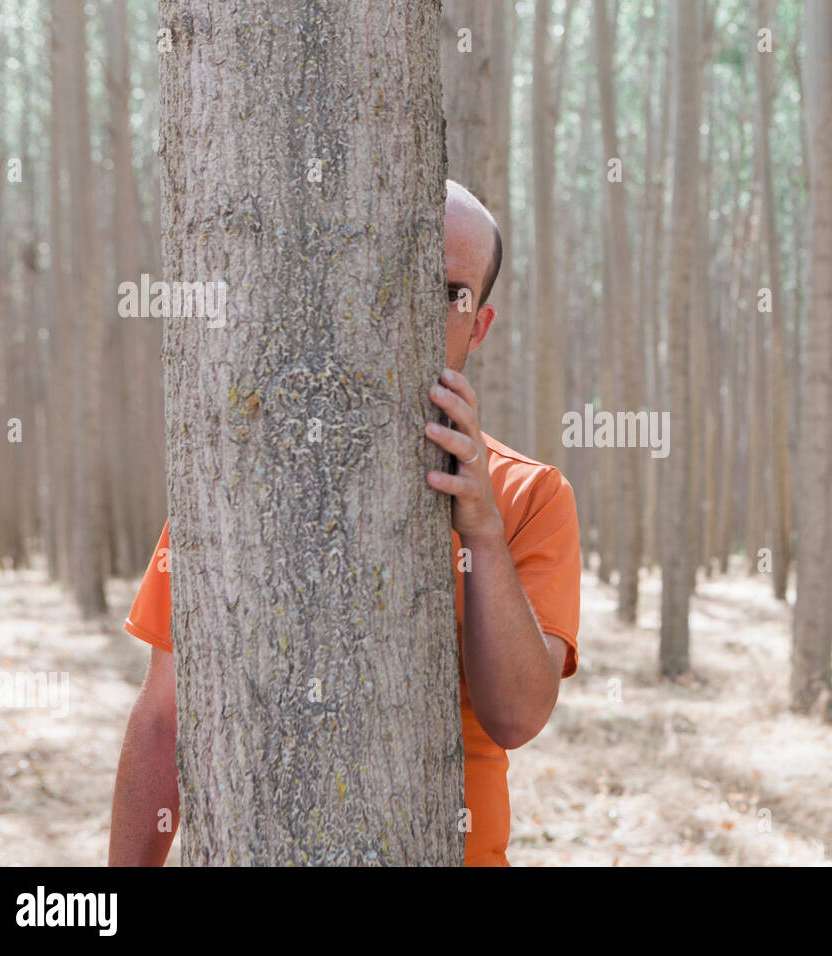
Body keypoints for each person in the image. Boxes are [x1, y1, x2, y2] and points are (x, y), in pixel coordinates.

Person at [108, 180, 582, 867]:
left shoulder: (532, 494)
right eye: (395, 280)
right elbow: (163, 714)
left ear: (478, 324)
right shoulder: (239, 479)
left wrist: (479, 526)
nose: (414, 314)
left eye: (447, 293)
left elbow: (517, 716)